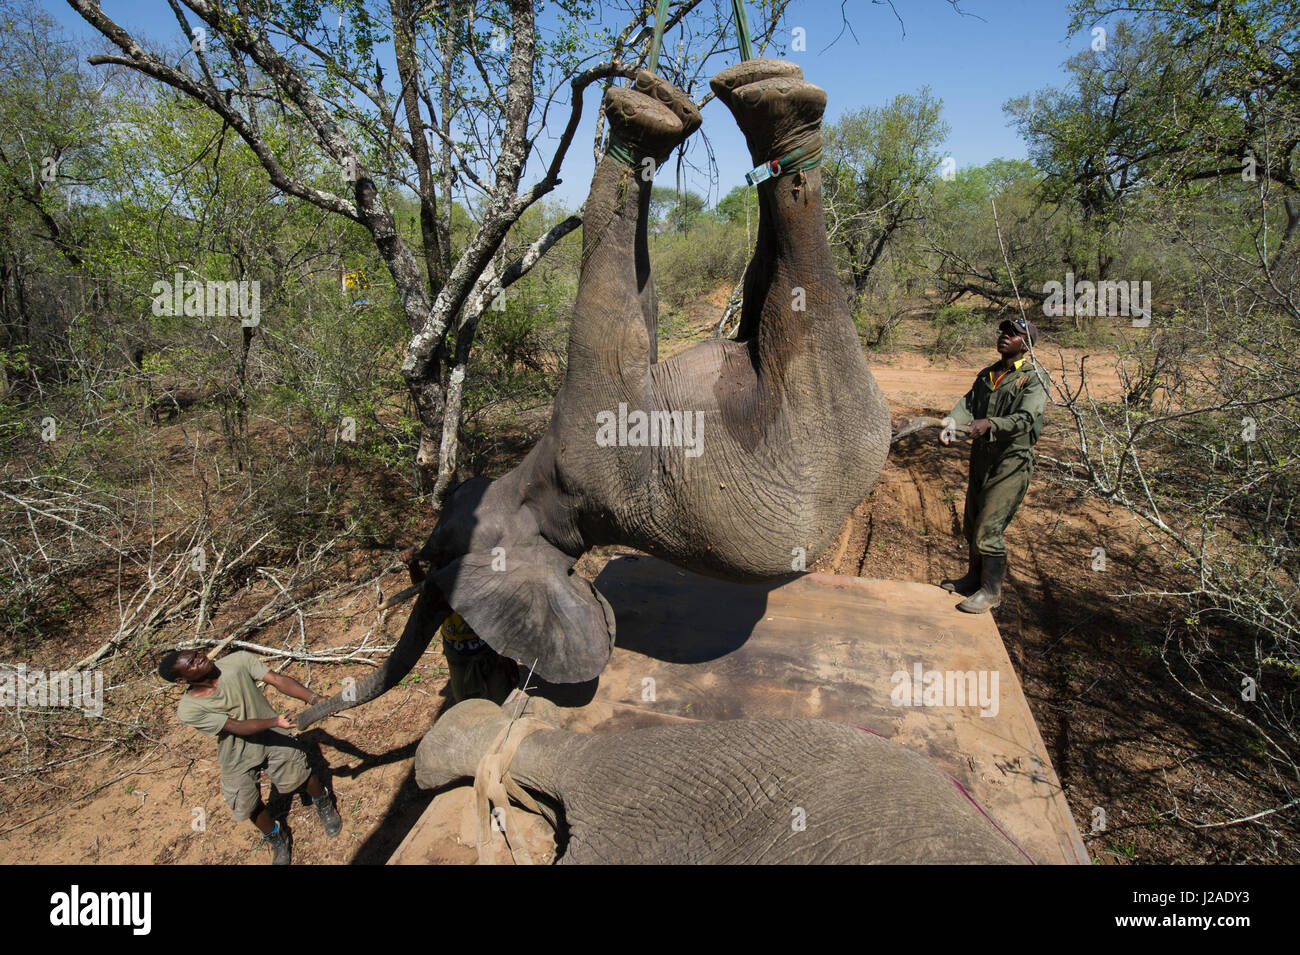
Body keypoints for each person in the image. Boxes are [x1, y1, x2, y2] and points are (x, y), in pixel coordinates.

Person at [157, 648, 342, 864]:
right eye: (192, 663)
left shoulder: (237, 661)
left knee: (300, 772)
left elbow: (277, 680)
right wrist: (275, 721)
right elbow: (233, 726)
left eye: (197, 655)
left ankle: (323, 801)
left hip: (272, 736)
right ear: (181, 680)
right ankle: (275, 836)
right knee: (246, 803)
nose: (200, 659)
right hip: (237, 751)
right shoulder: (188, 709)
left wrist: (315, 698)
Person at [939, 315, 1047, 613]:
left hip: (1011, 461)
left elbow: (1026, 419)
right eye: (1003, 331)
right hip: (982, 457)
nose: (1004, 336)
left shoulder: (1034, 378)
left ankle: (991, 590)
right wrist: (952, 422)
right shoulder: (989, 374)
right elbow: (969, 404)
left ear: (1026, 344)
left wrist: (991, 424)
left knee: (989, 526)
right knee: (973, 521)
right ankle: (973, 578)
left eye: (1013, 333)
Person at [399, 545, 521, 705]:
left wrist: (504, 652)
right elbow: (426, 590)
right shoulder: (442, 565)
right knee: (467, 705)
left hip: (490, 649)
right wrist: (413, 564)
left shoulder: (482, 563)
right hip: (457, 652)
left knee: (503, 700)